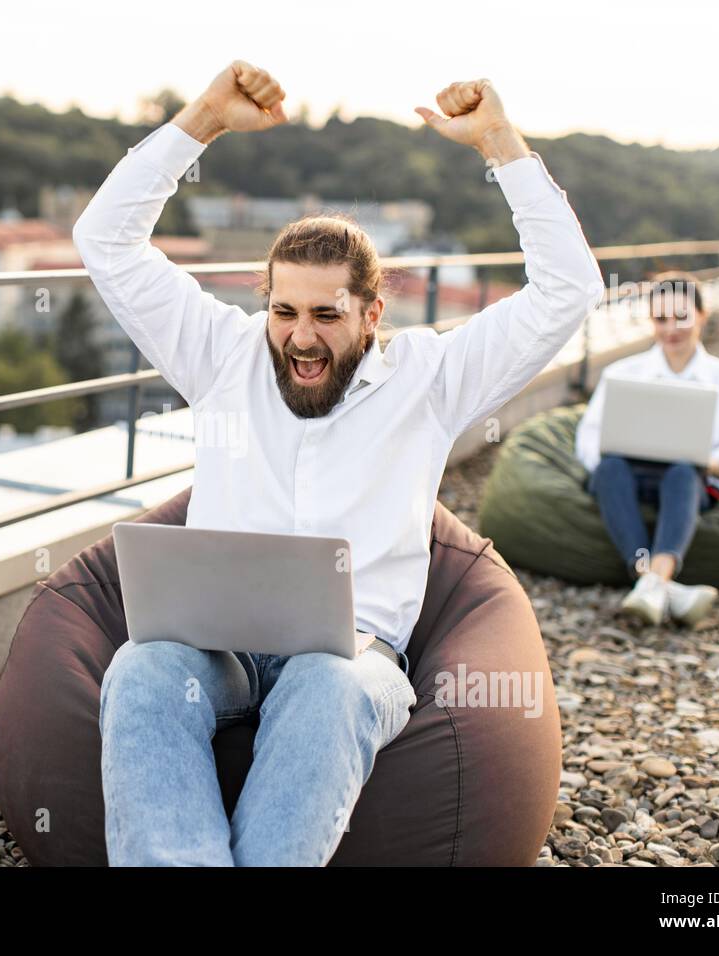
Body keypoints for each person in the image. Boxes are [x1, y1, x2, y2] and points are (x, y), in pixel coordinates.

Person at [74, 61, 603, 866]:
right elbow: (104, 240)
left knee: (328, 685)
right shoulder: (223, 355)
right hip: (217, 654)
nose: (301, 336)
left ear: (371, 312)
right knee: (141, 670)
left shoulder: (429, 379)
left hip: (354, 660)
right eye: (284, 311)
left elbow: (568, 288)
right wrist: (204, 120)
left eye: (327, 314)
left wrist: (499, 142)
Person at [574, 271, 719, 627]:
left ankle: (649, 582)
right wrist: (616, 448)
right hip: (627, 477)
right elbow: (588, 439)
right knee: (609, 468)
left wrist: (707, 461)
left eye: (682, 316)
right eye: (660, 319)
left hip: (687, 482)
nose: (671, 328)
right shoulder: (622, 372)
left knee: (683, 471)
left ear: (702, 315)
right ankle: (663, 586)